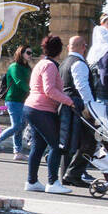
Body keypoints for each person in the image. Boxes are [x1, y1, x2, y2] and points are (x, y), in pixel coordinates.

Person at [24, 34, 73, 194]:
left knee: (38, 146)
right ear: (59, 50)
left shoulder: (41, 64)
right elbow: (49, 90)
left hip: (32, 107)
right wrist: (68, 101)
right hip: (42, 109)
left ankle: (32, 181)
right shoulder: (50, 66)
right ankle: (53, 182)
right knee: (55, 145)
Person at [59, 35, 99, 186]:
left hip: (67, 104)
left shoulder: (64, 63)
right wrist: (90, 107)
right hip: (78, 106)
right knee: (89, 141)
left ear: (69, 47)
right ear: (84, 47)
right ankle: (73, 174)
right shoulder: (79, 63)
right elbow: (82, 86)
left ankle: (66, 175)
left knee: (69, 141)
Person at [2, 46, 33, 159]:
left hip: (24, 100)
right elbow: (19, 82)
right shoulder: (14, 66)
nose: (30, 55)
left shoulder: (28, 68)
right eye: (28, 52)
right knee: (16, 126)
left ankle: (17, 152)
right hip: (13, 100)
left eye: (31, 53)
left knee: (21, 126)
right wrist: (32, 91)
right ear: (21, 53)